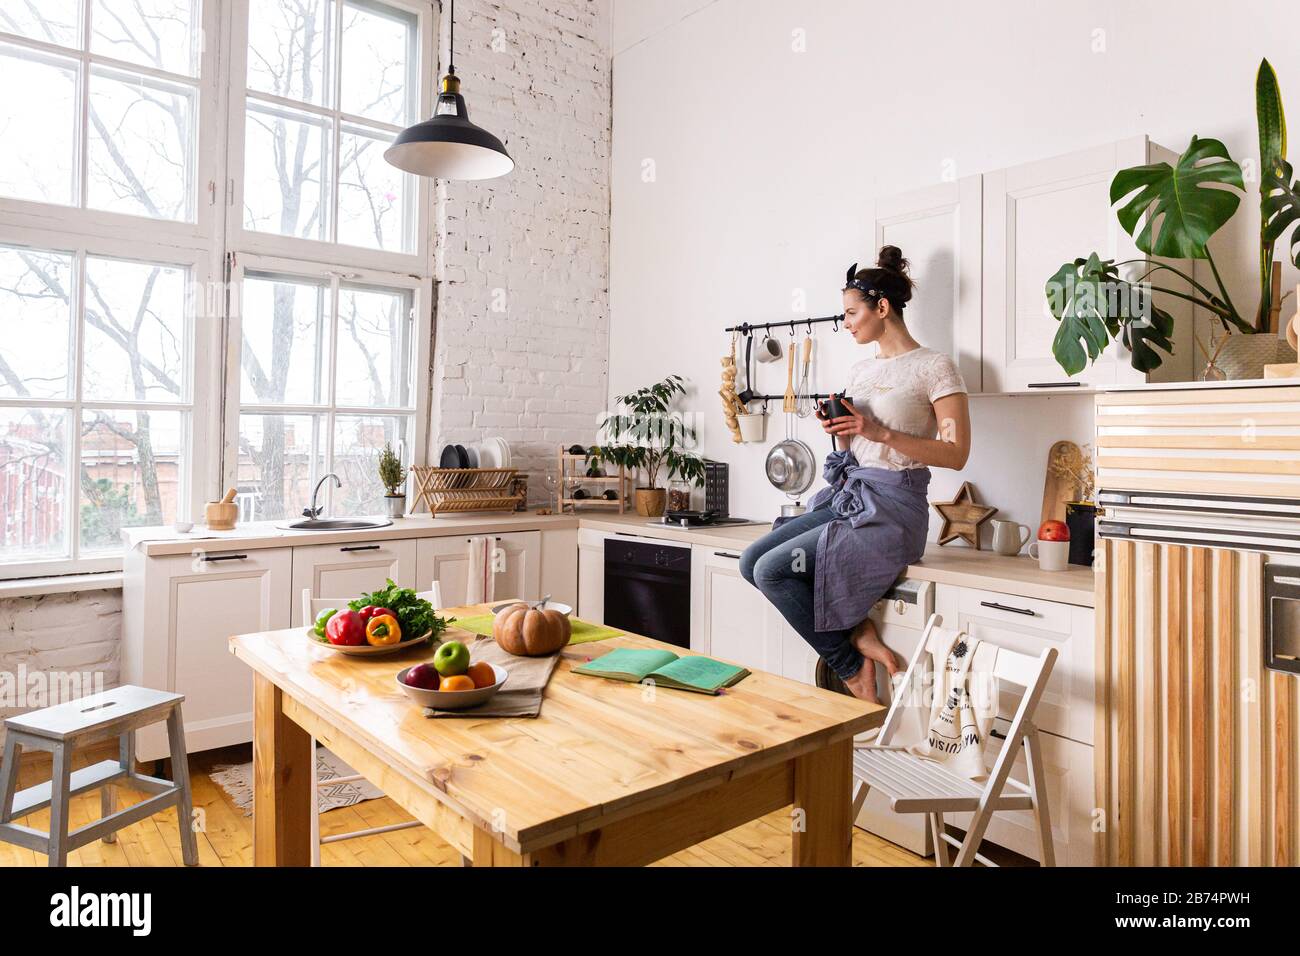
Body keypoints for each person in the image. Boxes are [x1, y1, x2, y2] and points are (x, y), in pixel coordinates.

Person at [740, 246, 972, 702]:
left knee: (773, 572)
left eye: (851, 313)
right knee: (751, 563)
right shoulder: (862, 369)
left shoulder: (935, 366)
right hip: (852, 496)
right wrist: (841, 433)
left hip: (893, 511)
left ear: (881, 308)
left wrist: (879, 431)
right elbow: (860, 443)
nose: (845, 323)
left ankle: (851, 669)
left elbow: (956, 452)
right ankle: (858, 630)